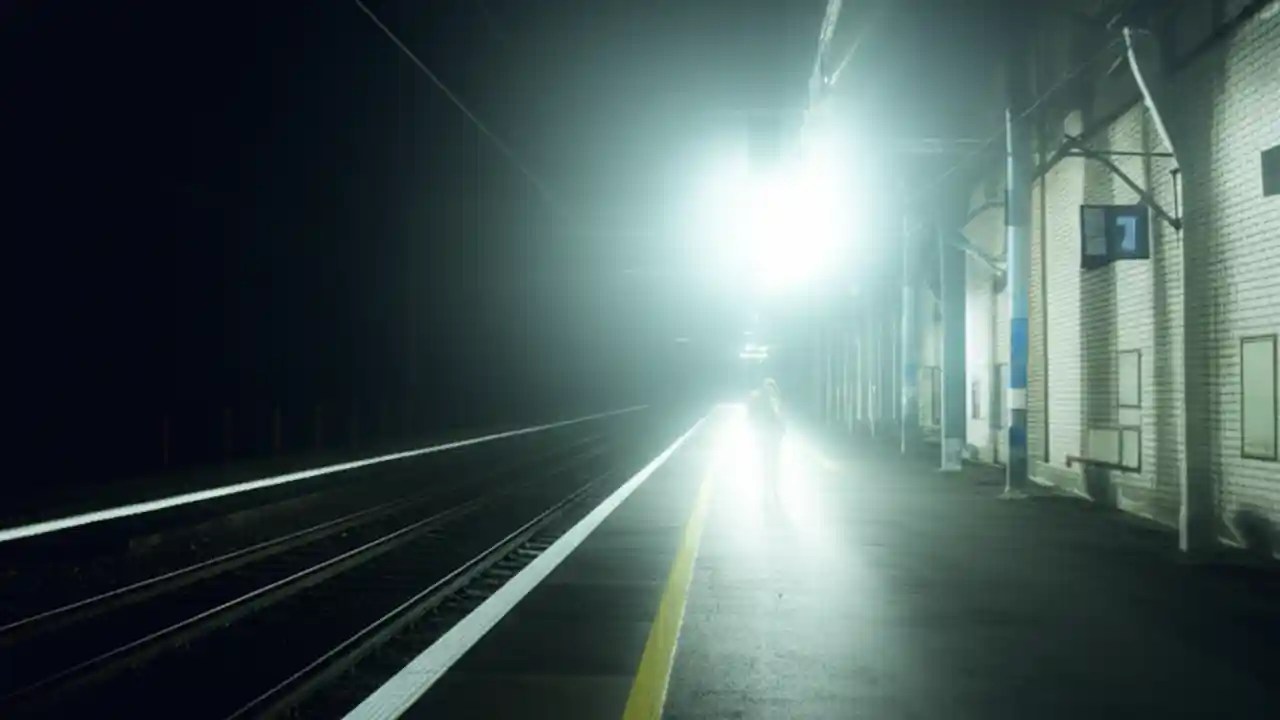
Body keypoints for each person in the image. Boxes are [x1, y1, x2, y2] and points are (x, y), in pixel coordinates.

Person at [747, 378, 784, 495]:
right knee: (773, 460)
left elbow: (752, 416)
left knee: (766, 460)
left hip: (766, 434)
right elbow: (779, 417)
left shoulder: (759, 398)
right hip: (772, 434)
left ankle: (767, 485)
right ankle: (772, 485)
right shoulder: (775, 399)